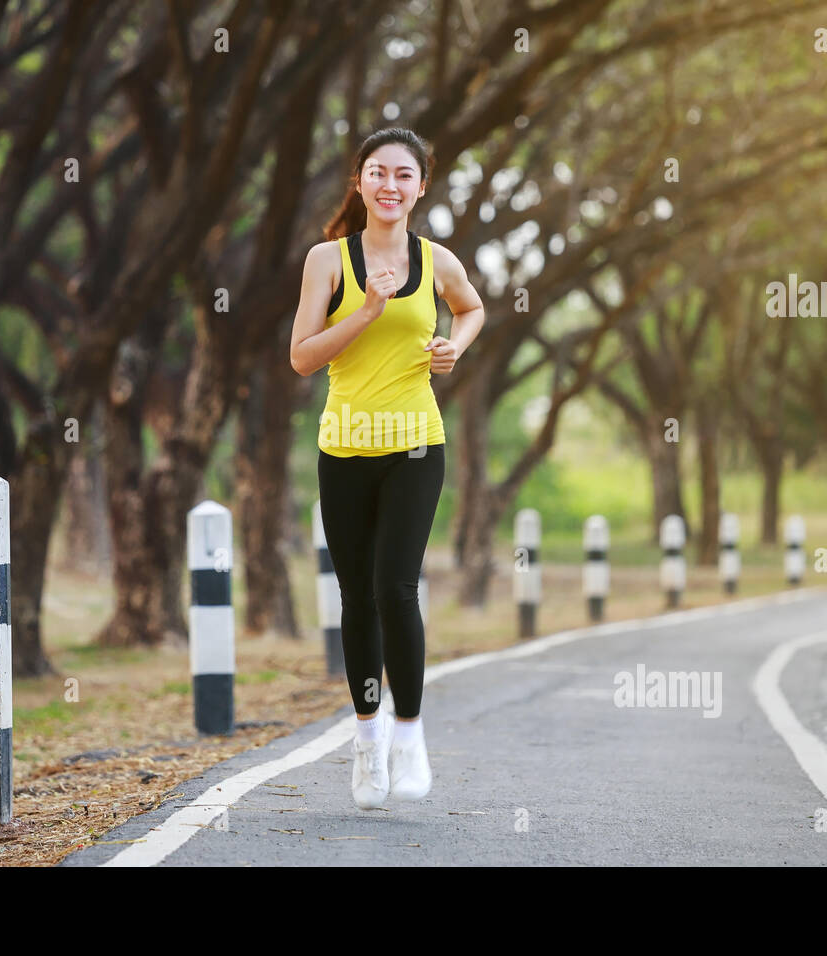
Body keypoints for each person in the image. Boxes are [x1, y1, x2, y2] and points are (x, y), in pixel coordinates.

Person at [289, 127, 485, 810]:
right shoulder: (328, 261)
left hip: (415, 445)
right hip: (344, 448)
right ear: (360, 181)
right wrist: (367, 311)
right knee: (357, 598)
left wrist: (453, 346)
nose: (390, 185)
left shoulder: (436, 261)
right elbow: (303, 357)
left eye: (404, 175)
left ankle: (409, 736)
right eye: (378, 173)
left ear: (421, 186)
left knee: (396, 587)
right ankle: (366, 740)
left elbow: (473, 306)